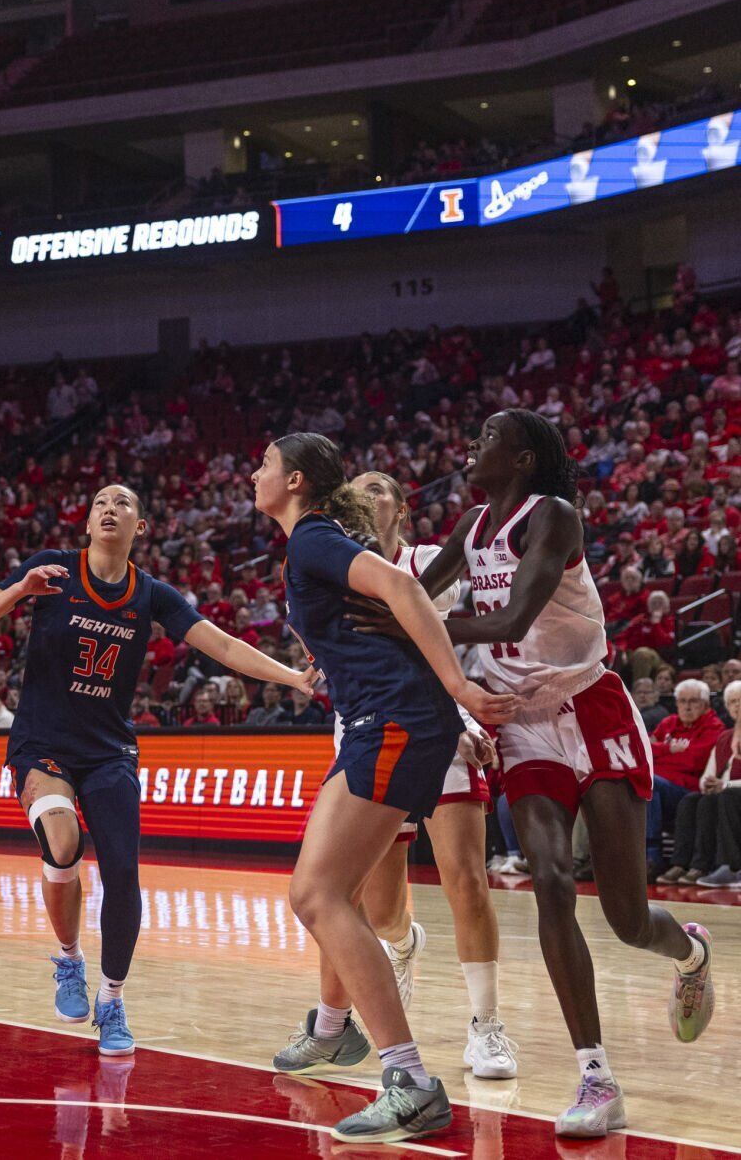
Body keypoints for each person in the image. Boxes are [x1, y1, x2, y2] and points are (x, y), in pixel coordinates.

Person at [354, 409, 714, 1137]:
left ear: (522, 459)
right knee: (549, 880)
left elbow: (512, 620)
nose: (471, 446)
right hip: (522, 724)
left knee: (626, 918)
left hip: (593, 707)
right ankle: (596, 1077)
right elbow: (416, 593)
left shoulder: (553, 516)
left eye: (488, 438)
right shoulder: (470, 527)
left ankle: (690, 952)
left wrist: (416, 625)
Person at [0, 484, 321, 1058]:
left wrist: (293, 677)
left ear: (140, 527)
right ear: (87, 523)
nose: (109, 509)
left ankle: (113, 1000)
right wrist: (19, 591)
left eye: (122, 503)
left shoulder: (151, 593)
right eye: (100, 503)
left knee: (124, 873)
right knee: (62, 840)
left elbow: (223, 646)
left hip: (108, 750)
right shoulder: (52, 569)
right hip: (42, 744)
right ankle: (70, 960)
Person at [255, 433, 515, 1144]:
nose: (254, 474)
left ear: (296, 480)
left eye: (265, 464)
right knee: (323, 894)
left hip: (394, 719)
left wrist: (460, 691)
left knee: (320, 895)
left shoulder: (314, 537)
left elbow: (405, 590)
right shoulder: (316, 542)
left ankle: (409, 1080)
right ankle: (342, 1033)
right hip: (381, 718)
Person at [647, 680, 728, 877]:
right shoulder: (668, 723)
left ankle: (652, 857)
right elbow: (642, 750)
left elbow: (693, 762)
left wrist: (660, 753)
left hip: (687, 792)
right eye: (682, 701)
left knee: (650, 783)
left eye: (693, 701)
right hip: (659, 788)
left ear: (706, 704)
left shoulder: (714, 727)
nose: (687, 706)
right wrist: (668, 749)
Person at [666, 682, 741, 886]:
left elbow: (725, 786)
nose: (737, 706)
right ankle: (689, 864)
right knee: (693, 799)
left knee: (726, 796)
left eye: (740, 701)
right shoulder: (724, 737)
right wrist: (707, 785)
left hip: (733, 793)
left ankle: (732, 867)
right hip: (725, 792)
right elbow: (708, 774)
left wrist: (724, 785)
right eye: (732, 702)